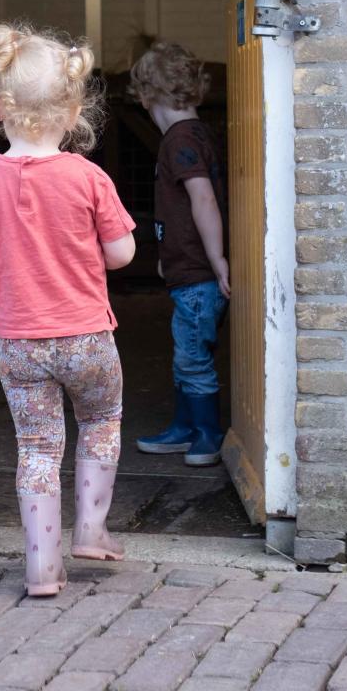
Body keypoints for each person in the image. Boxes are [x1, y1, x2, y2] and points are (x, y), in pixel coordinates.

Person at [0, 23, 137, 597]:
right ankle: (92, 528)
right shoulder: (89, 177)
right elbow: (122, 253)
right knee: (100, 422)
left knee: (36, 447)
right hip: (86, 338)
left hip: (20, 343)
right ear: (74, 109)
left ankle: (41, 567)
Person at [128, 42, 231, 467]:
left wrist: (217, 258)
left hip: (198, 275)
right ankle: (185, 428)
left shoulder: (178, 142)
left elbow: (202, 200)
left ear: (149, 97)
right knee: (185, 354)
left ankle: (207, 433)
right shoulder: (198, 133)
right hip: (188, 269)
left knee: (192, 356)